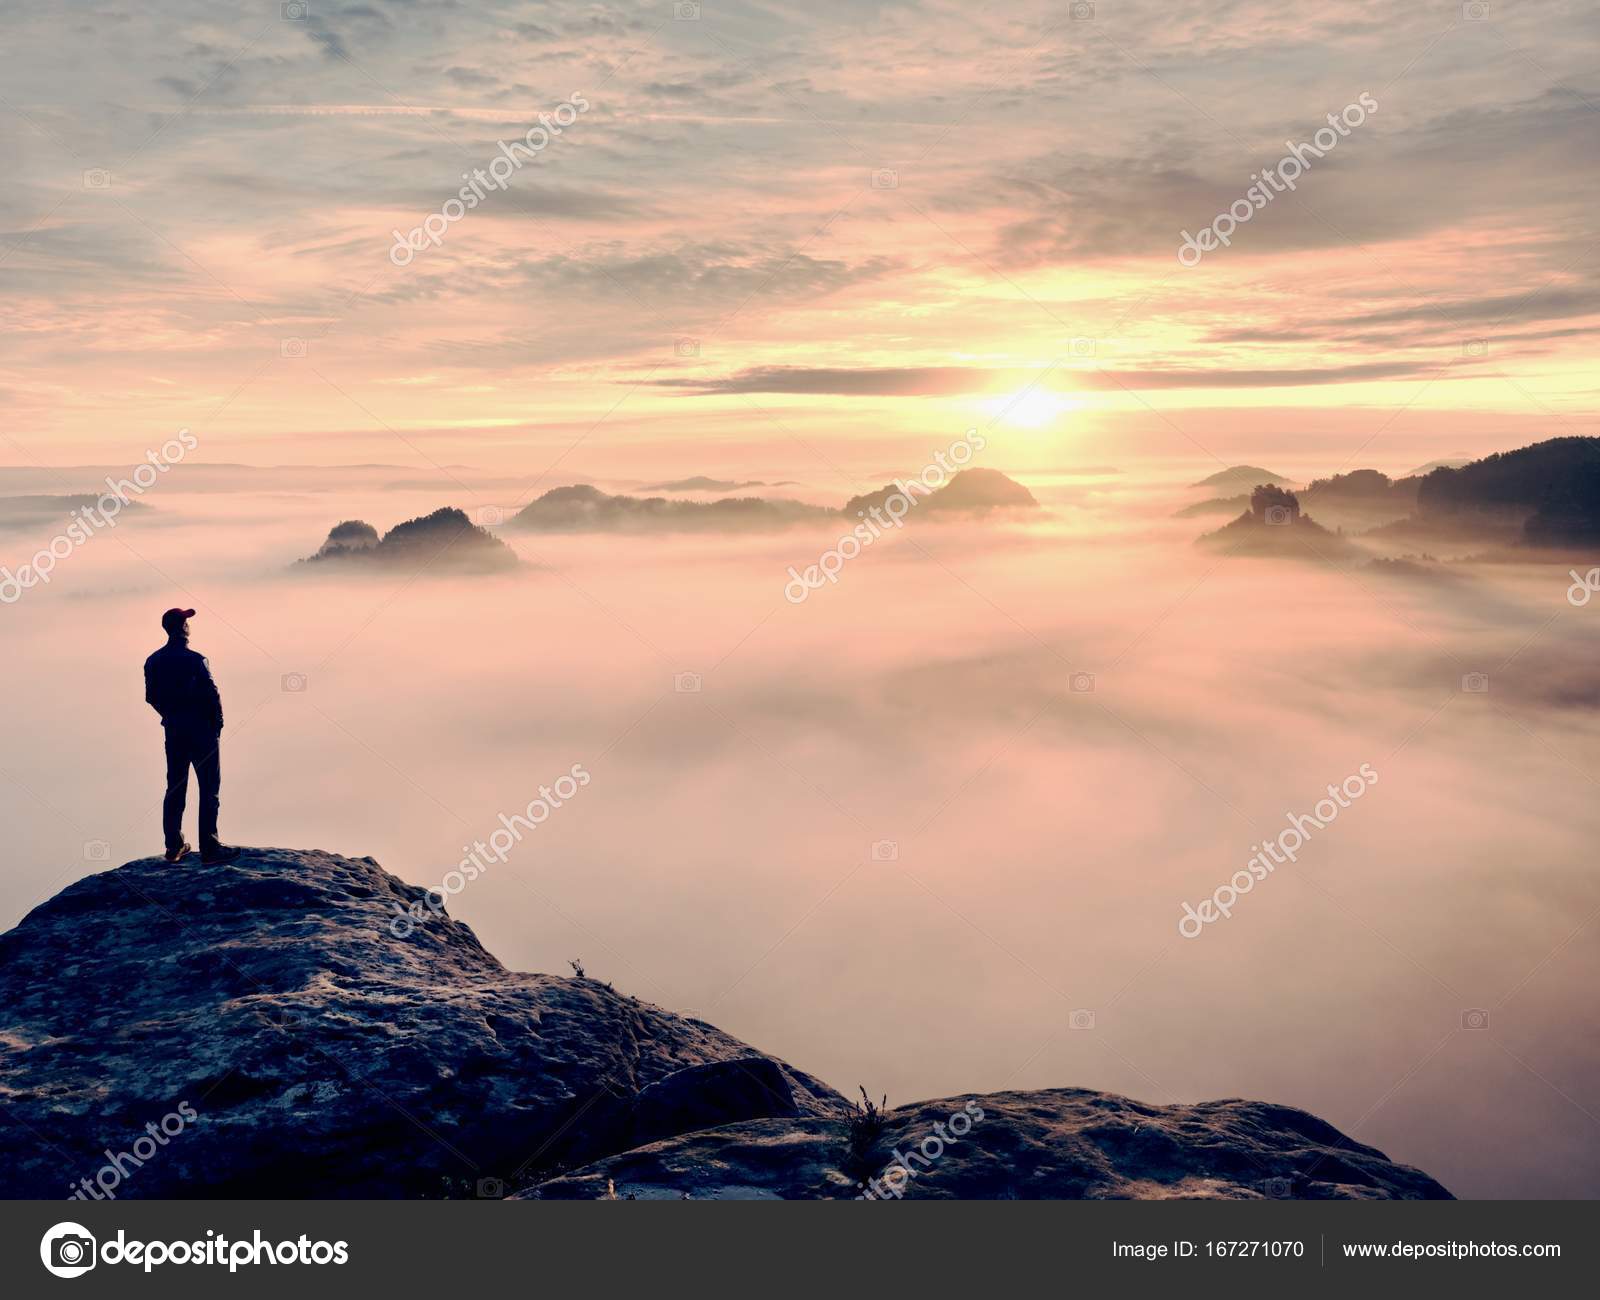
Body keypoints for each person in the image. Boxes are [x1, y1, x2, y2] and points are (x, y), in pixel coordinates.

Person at [143, 608, 239, 865]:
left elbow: (151, 697)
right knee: (209, 789)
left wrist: (170, 715)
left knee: (175, 787)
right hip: (202, 731)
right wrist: (217, 723)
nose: (188, 625)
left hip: (174, 731)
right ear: (183, 628)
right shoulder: (196, 659)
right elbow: (212, 692)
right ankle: (210, 847)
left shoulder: (153, 661)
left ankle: (173, 846)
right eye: (186, 622)